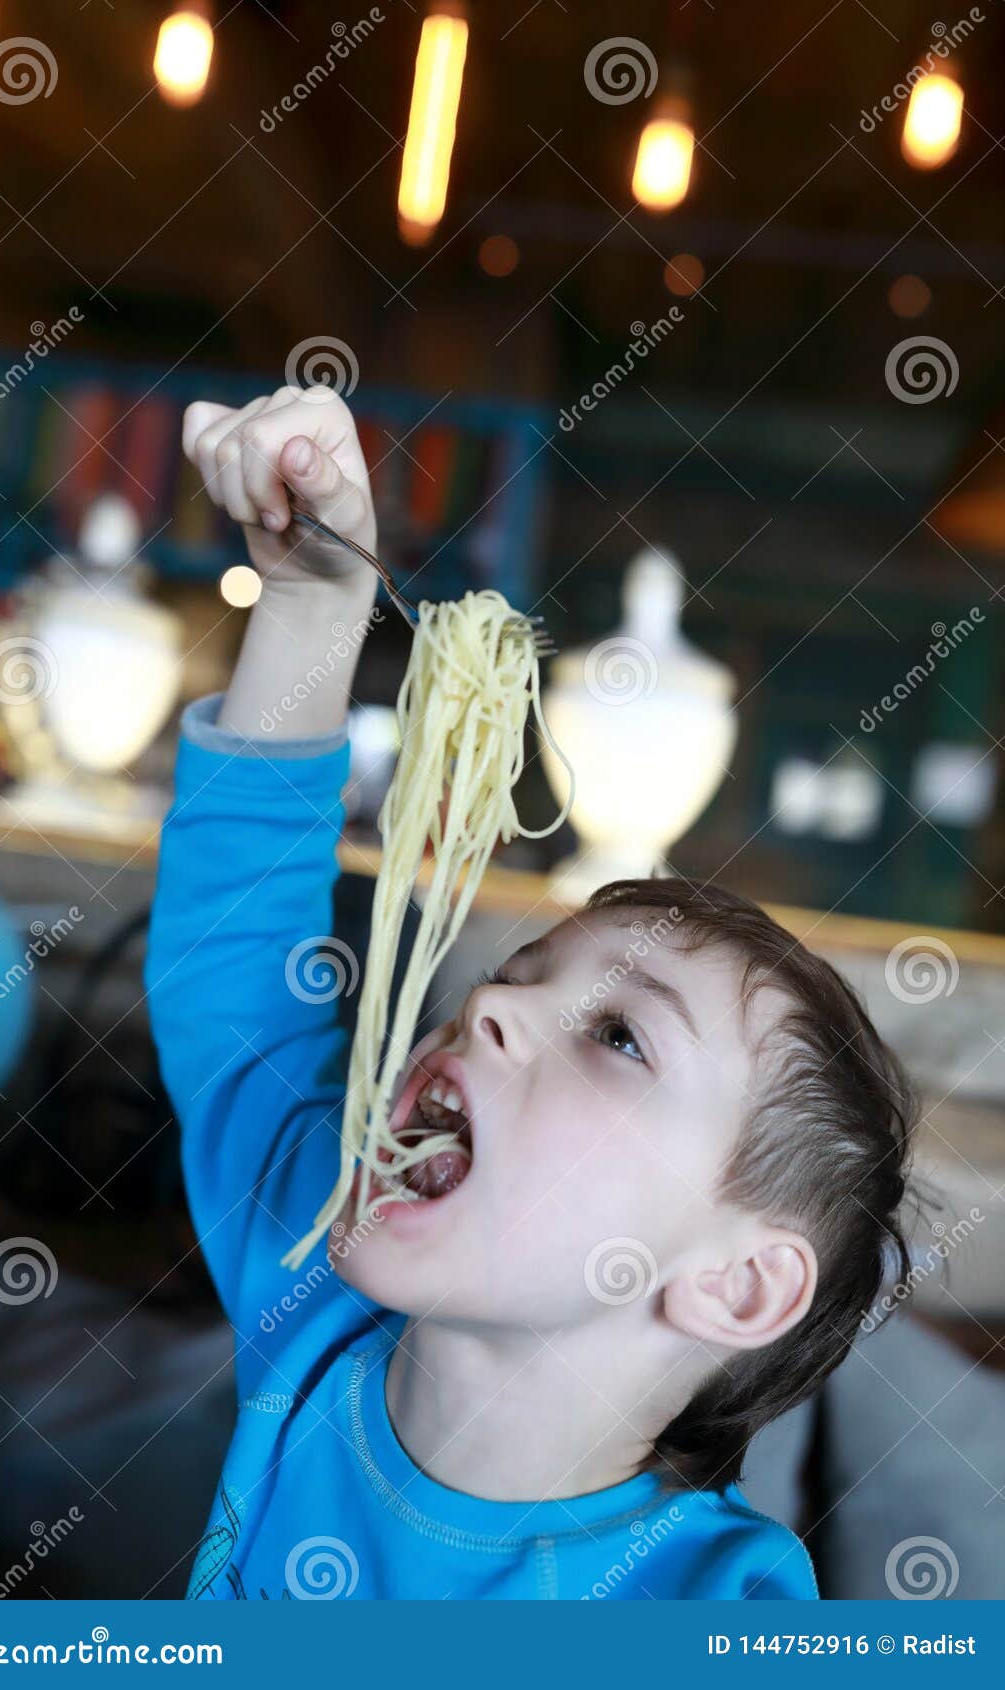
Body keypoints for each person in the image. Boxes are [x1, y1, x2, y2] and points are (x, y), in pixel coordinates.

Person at [145, 385, 914, 1601]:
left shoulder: (711, 1611)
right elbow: (233, 971)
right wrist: (308, 607)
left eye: (618, 1035)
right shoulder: (313, 1279)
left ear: (734, 1282)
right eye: (511, 977)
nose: (488, 1011)